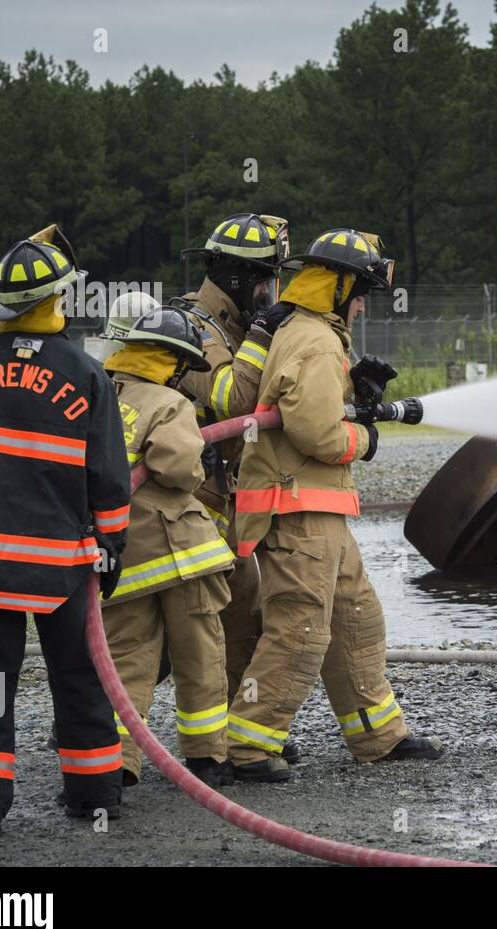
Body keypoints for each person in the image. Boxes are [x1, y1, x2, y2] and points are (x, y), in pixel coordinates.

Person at [0, 225, 130, 837]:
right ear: (57, 301)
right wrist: (112, 549)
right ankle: (93, 796)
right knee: (78, 676)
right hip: (58, 564)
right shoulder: (86, 374)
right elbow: (108, 478)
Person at [228, 228, 442, 782]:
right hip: (298, 507)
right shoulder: (316, 340)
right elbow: (317, 432)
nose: (364, 303)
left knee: (356, 617)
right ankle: (247, 746)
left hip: (319, 508)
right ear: (339, 286)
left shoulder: (311, 333)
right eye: (360, 291)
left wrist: (352, 395)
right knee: (302, 629)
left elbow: (306, 404)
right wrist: (365, 440)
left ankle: (377, 734)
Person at [101, 305, 237, 788]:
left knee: (126, 661)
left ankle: (116, 763)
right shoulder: (167, 402)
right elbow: (180, 468)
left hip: (119, 559)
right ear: (173, 362)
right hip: (181, 555)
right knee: (199, 654)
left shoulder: (93, 398)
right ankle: (205, 758)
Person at [175, 213, 292, 750]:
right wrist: (266, 333)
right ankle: (90, 735)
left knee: (243, 622)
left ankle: (235, 737)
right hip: (189, 505)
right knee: (163, 638)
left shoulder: (245, 329)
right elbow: (231, 399)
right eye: (267, 279)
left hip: (230, 500)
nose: (274, 291)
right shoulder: (190, 327)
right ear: (241, 279)